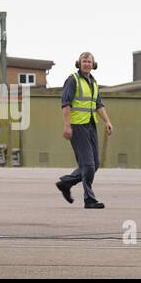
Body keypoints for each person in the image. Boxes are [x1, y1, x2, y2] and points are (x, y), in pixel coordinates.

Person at [56, 51, 113, 208]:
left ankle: (66, 183)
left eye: (89, 61)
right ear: (79, 63)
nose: (87, 64)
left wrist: (107, 121)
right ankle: (89, 199)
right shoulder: (72, 80)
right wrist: (67, 125)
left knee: (95, 163)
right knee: (88, 164)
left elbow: (98, 105)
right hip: (77, 126)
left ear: (93, 64)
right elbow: (65, 104)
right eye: (84, 61)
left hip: (91, 125)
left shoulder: (94, 83)